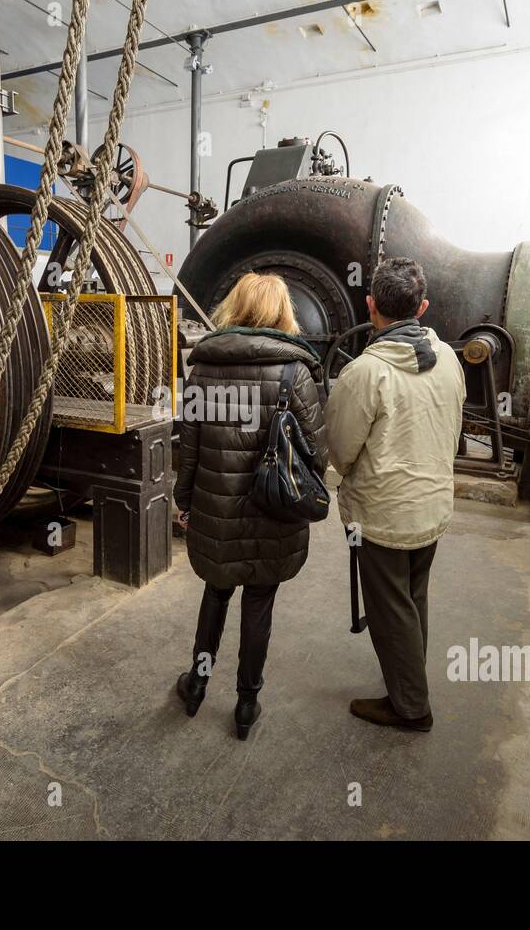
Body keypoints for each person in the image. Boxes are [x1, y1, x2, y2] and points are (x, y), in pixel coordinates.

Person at [173, 272, 327, 740]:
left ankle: (197, 684)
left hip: (215, 511)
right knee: (259, 601)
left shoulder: (204, 369)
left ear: (234, 307)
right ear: (284, 311)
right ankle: (246, 703)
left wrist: (184, 502)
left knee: (216, 591)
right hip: (273, 509)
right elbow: (317, 455)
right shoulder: (295, 372)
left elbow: (190, 449)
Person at [324, 257, 465, 731]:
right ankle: (410, 679)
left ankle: (410, 707)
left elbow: (342, 450)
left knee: (388, 610)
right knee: (413, 596)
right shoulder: (448, 359)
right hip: (432, 507)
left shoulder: (364, 372)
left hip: (382, 517)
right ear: (422, 306)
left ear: (370, 306)